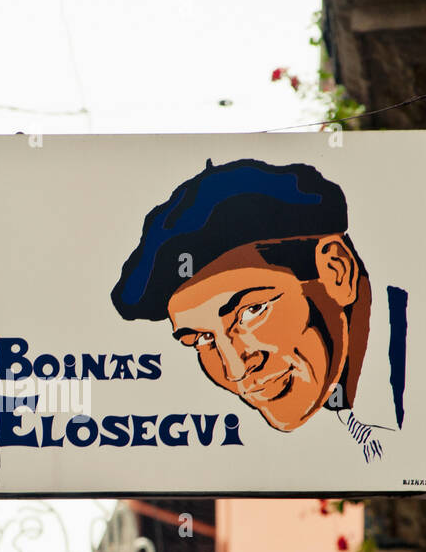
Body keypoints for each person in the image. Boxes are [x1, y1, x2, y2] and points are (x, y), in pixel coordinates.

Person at [110, 157, 407, 460]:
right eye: (202, 339)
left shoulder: (415, 396)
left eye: (251, 312)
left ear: (336, 271)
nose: (236, 370)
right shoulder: (356, 426)